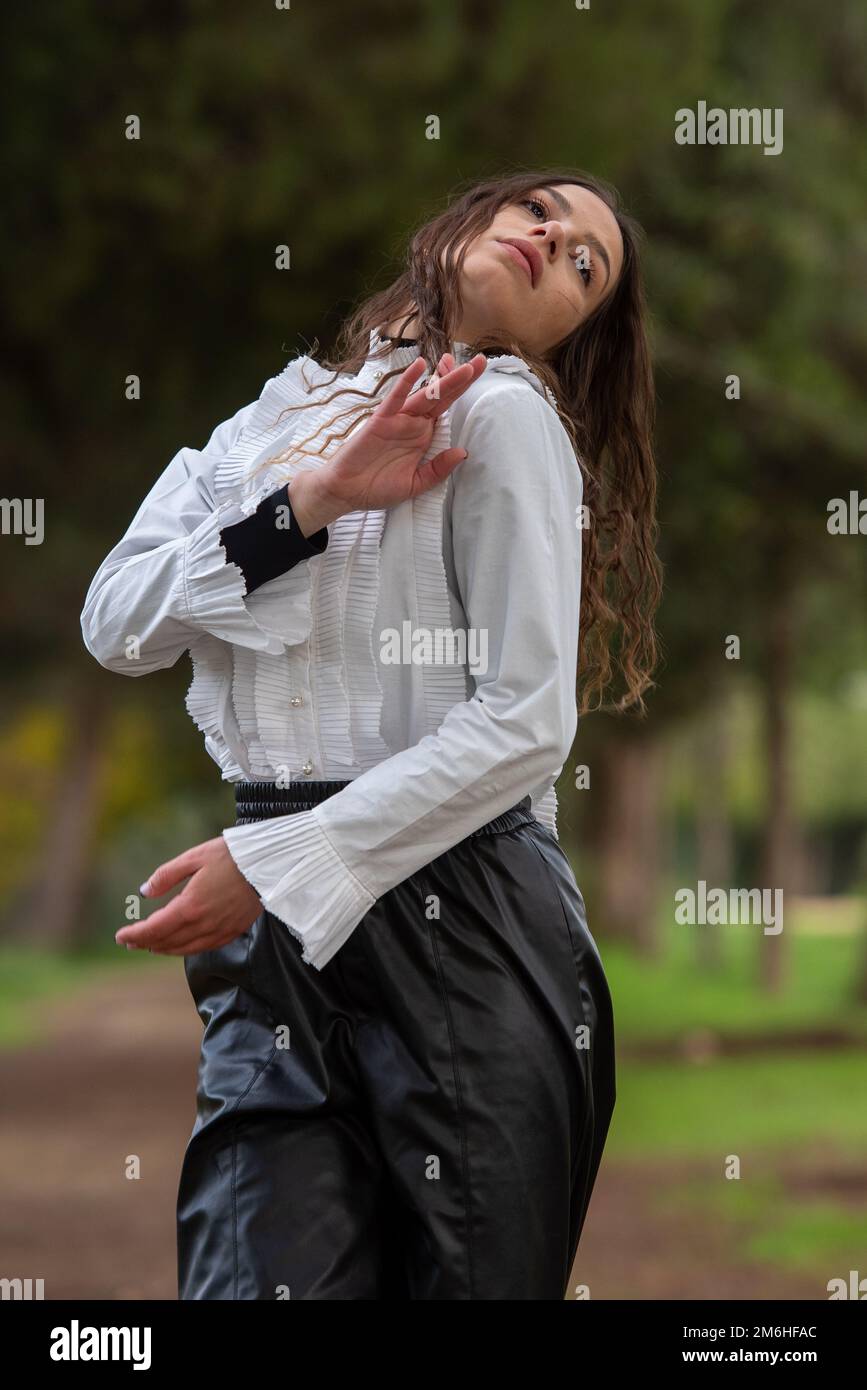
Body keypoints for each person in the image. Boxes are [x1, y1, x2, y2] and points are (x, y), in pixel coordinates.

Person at [80, 167, 662, 1300]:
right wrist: (312, 503)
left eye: (586, 264)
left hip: (472, 923)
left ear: (565, 338)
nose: (554, 238)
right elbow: (115, 622)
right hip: (272, 951)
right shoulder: (261, 428)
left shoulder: (504, 418)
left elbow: (526, 725)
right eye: (540, 209)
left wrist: (278, 860)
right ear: (469, 216)